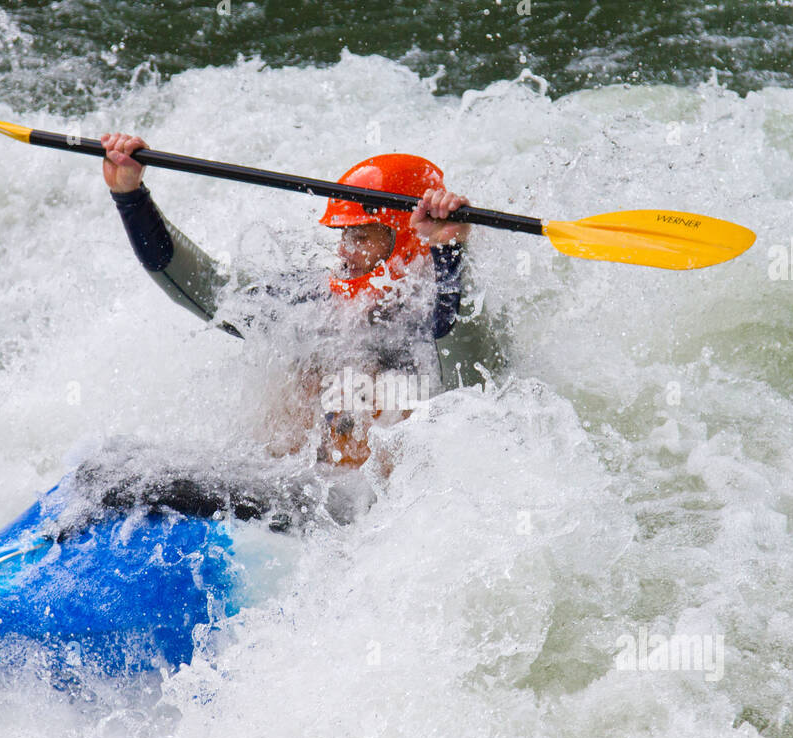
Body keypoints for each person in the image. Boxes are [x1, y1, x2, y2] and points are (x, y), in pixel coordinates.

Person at [77, 133, 506, 527]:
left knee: (138, 483)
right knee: (108, 466)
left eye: (363, 236)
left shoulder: (436, 322)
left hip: (365, 516)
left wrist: (447, 249)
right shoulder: (312, 305)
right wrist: (129, 195)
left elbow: (459, 358)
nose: (345, 251)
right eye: (344, 235)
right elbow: (198, 286)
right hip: (287, 491)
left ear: (407, 238)